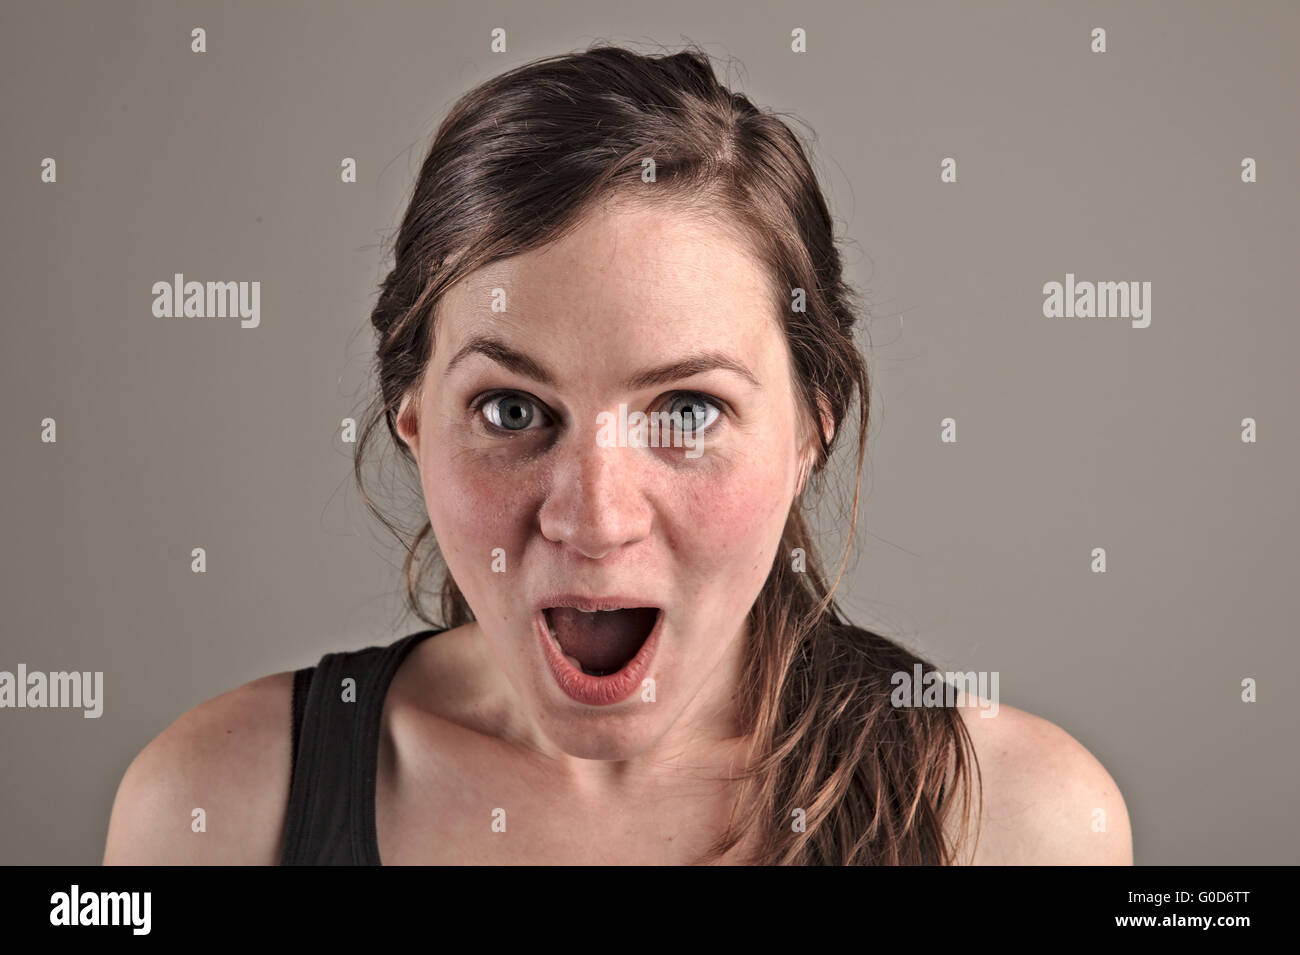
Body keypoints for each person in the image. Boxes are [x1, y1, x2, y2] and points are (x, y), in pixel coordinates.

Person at [103, 43, 1131, 865]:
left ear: (809, 429)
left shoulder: (1013, 825)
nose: (593, 517)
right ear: (412, 420)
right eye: (512, 410)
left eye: (686, 411)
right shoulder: (214, 808)